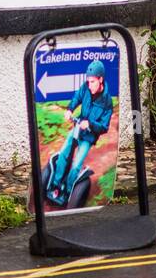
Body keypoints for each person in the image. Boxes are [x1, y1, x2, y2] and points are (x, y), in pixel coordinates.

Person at [47, 59, 113, 205]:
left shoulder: (107, 102)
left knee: (77, 164)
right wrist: (70, 109)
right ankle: (56, 184)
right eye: (88, 82)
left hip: (88, 137)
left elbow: (104, 127)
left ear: (101, 79)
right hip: (77, 128)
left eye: (92, 82)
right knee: (64, 153)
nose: (89, 85)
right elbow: (77, 97)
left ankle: (67, 190)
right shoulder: (86, 88)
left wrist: (90, 124)